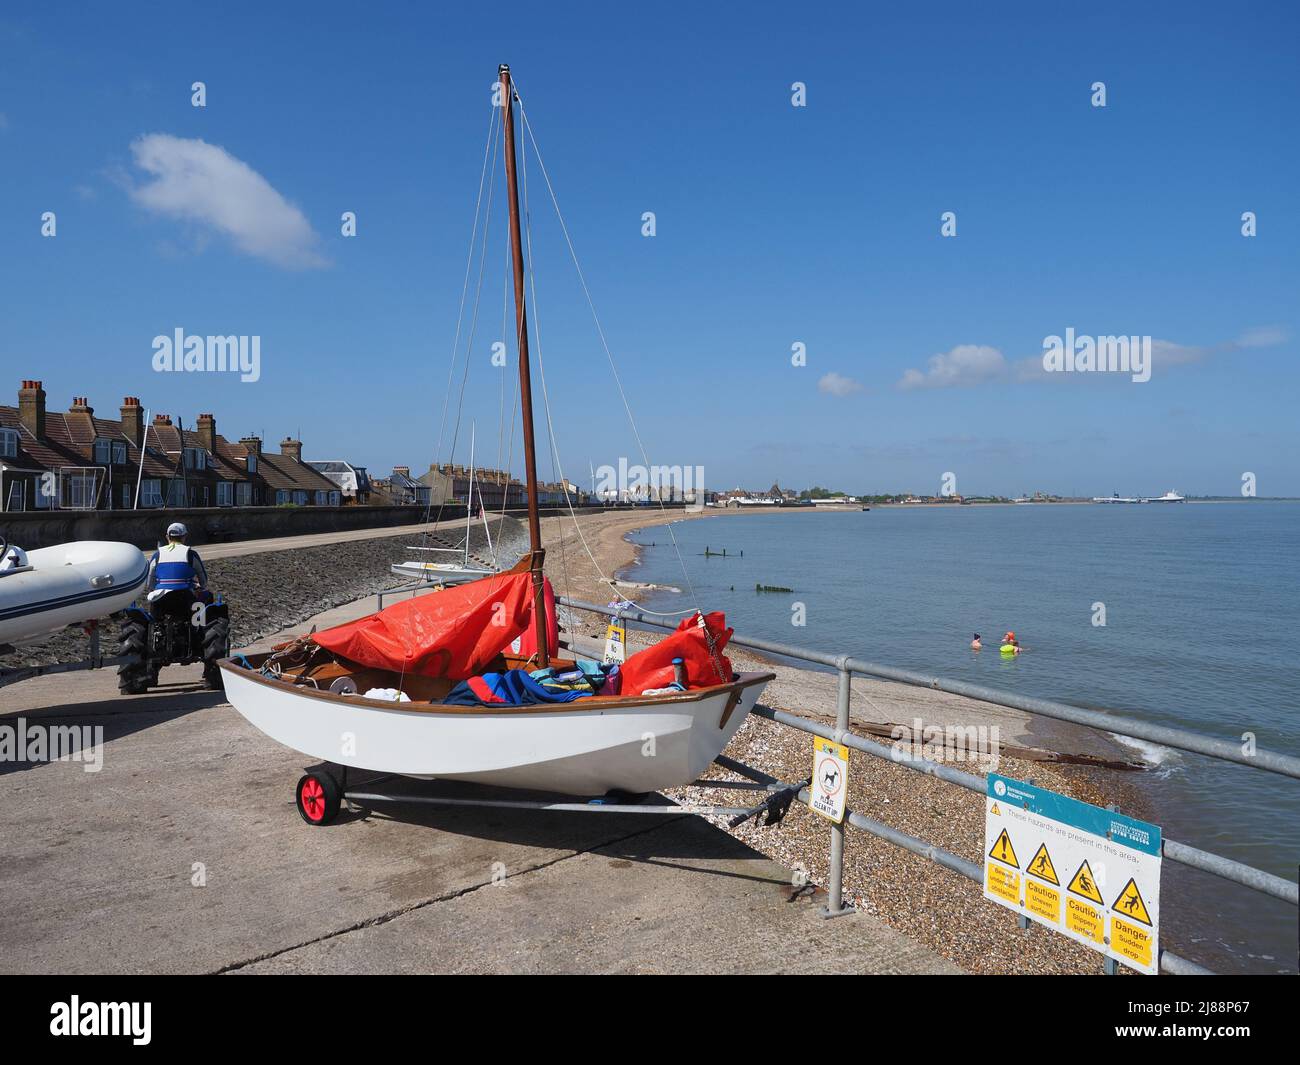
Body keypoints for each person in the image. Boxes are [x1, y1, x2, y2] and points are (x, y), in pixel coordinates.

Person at [146, 522, 208, 597]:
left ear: (167, 537)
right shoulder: (191, 554)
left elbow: (149, 583)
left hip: (162, 596)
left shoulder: (157, 554)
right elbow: (203, 581)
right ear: (185, 536)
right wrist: (200, 586)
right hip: (185, 595)